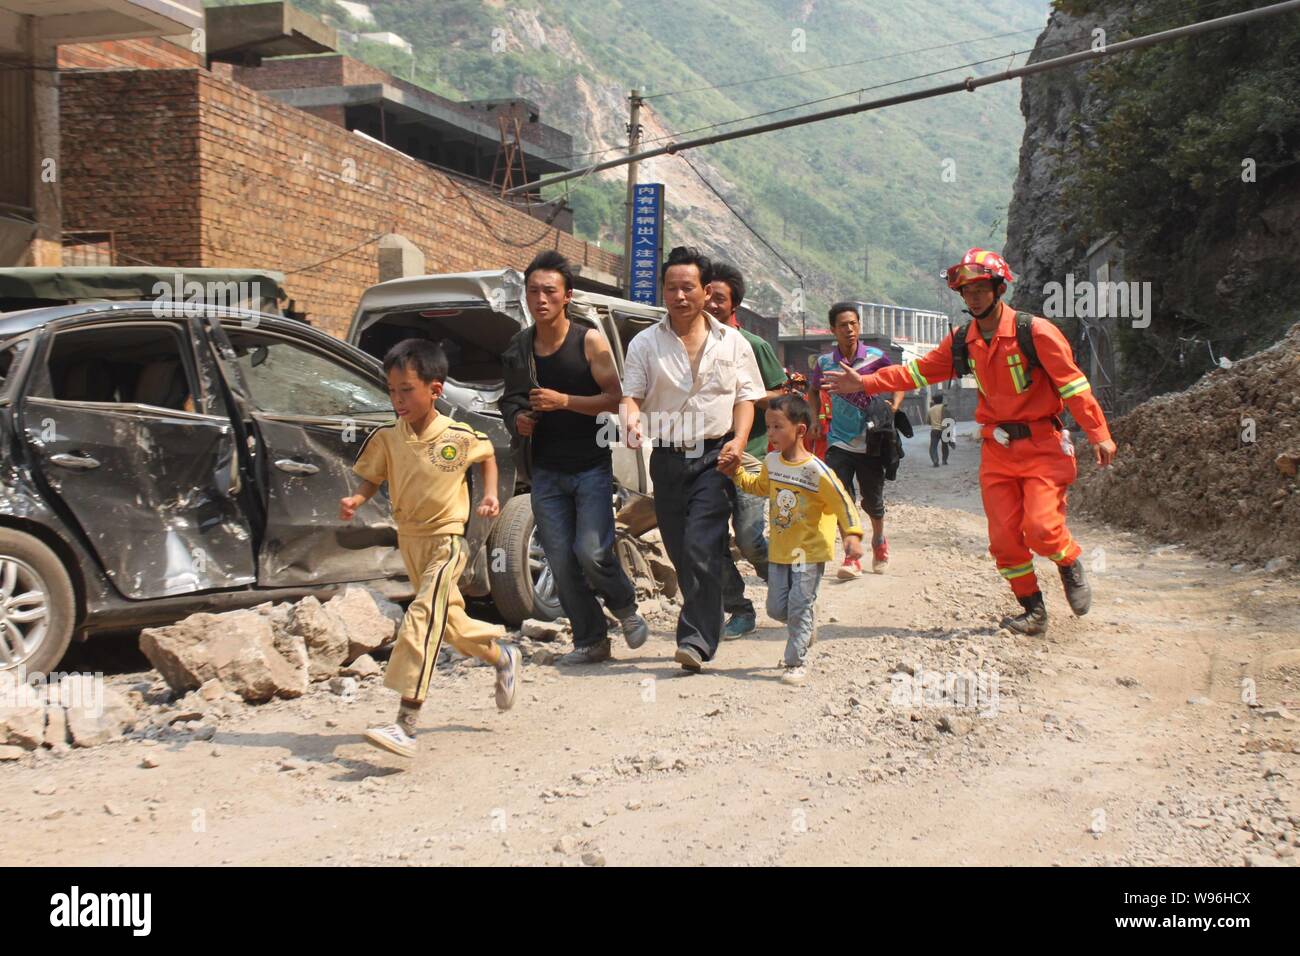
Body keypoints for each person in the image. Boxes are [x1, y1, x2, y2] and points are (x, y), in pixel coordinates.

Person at [827, 247, 1117, 636]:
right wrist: (865, 382)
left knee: (1042, 528)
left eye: (981, 288)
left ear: (999, 289)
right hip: (997, 450)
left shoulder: (1035, 332)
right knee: (1003, 539)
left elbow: (1073, 385)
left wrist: (1099, 433)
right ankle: (1033, 609)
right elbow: (918, 372)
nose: (974, 297)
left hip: (1042, 446)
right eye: (967, 291)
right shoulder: (963, 341)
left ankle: (1068, 562)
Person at [341, 339, 520, 759]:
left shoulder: (456, 435)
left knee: (421, 618)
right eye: (392, 391)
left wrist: (489, 494)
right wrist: (357, 499)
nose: (398, 399)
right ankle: (502, 656)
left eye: (407, 390)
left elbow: (487, 454)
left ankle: (406, 722)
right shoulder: (388, 438)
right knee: (449, 623)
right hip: (411, 542)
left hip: (447, 542)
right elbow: (373, 476)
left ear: (435, 390)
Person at [500, 251, 649, 664]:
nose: (540, 299)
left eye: (550, 291)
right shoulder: (519, 347)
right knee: (561, 560)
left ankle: (625, 607)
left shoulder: (589, 340)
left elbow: (616, 398)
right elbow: (509, 399)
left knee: (592, 551)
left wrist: (564, 401)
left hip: (590, 467)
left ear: (567, 296)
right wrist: (518, 420)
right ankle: (591, 639)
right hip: (545, 470)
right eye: (533, 291)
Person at [621, 246, 764, 673]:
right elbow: (631, 396)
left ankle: (695, 640)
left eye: (688, 288)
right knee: (682, 552)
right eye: (671, 288)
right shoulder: (645, 343)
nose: (679, 296)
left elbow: (745, 398)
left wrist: (739, 440)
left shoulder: (733, 342)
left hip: (715, 459)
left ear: (705, 291)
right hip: (666, 460)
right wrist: (630, 421)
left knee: (703, 545)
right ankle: (709, 617)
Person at [722, 394, 863, 685]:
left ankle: (795, 662)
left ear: (800, 430)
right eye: (768, 427)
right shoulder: (772, 462)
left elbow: (842, 502)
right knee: (776, 609)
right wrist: (736, 473)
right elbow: (759, 487)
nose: (771, 434)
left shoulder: (817, 471)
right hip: (780, 549)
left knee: (798, 605)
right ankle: (804, 621)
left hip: (809, 552)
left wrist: (852, 534)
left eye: (778, 427)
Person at [703, 262, 787, 641]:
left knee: (750, 538)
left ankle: (784, 585)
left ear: (734, 304)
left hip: (748, 455)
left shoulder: (754, 346)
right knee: (711, 541)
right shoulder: (691, 345)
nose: (711, 304)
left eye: (719, 298)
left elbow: (781, 393)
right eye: (707, 295)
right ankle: (739, 609)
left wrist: (745, 396)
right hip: (704, 457)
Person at [808, 303, 904, 578]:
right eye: (843, 325)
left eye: (853, 324)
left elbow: (899, 380)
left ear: (859, 326)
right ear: (833, 330)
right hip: (838, 441)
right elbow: (813, 391)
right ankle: (852, 556)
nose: (849, 329)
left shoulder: (877, 357)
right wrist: (814, 419)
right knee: (841, 499)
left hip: (872, 442)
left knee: (872, 502)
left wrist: (894, 407)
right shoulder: (825, 363)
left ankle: (879, 541)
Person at [928, 393, 953, 466]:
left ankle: (935, 460)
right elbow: (950, 420)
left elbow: (928, 422)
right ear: (942, 400)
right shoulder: (945, 408)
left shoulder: (930, 410)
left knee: (933, 446)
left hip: (934, 430)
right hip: (944, 430)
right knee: (945, 446)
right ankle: (944, 460)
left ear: (934, 401)